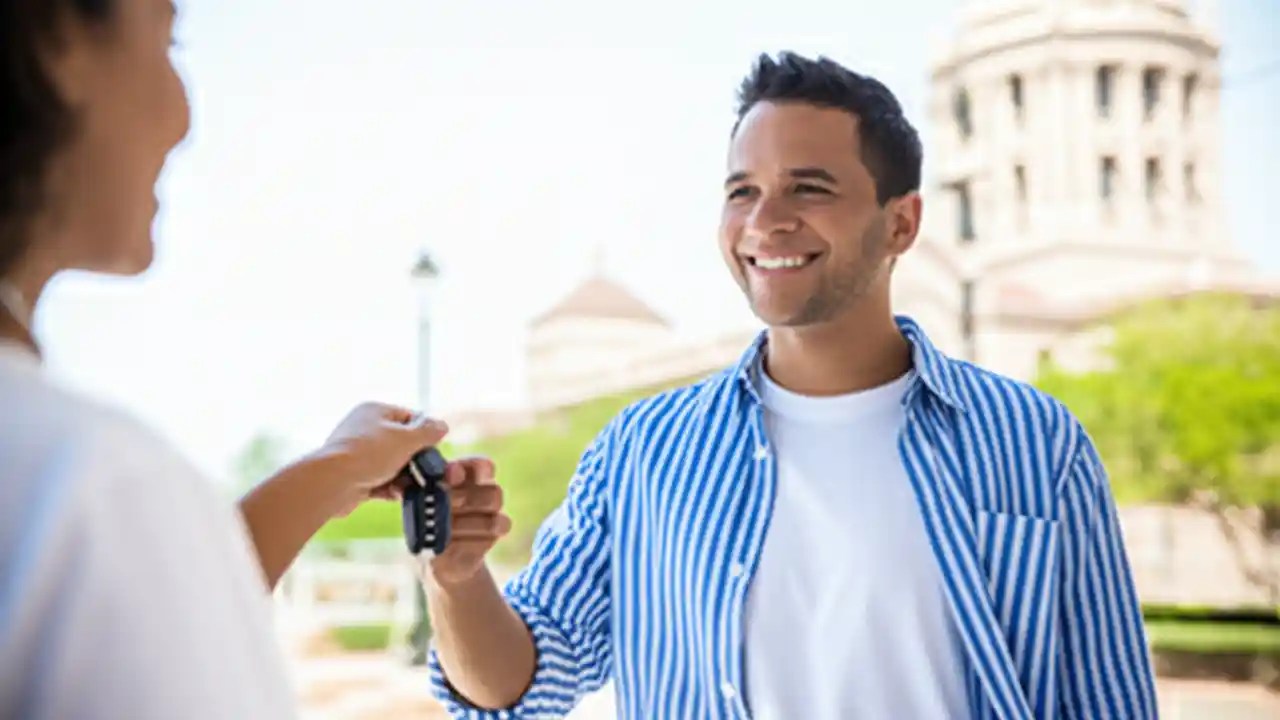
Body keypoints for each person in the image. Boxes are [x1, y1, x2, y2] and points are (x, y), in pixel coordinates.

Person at [423, 52, 1158, 719]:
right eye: (742, 191)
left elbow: (1108, 700)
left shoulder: (1036, 442)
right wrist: (456, 580)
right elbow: (518, 685)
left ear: (901, 224)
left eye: (808, 189)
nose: (764, 222)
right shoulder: (642, 453)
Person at [0, 1, 469, 717]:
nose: (184, 118)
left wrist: (334, 470)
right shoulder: (94, 483)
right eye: (168, 38)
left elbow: (144, 604)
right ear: (61, 38)